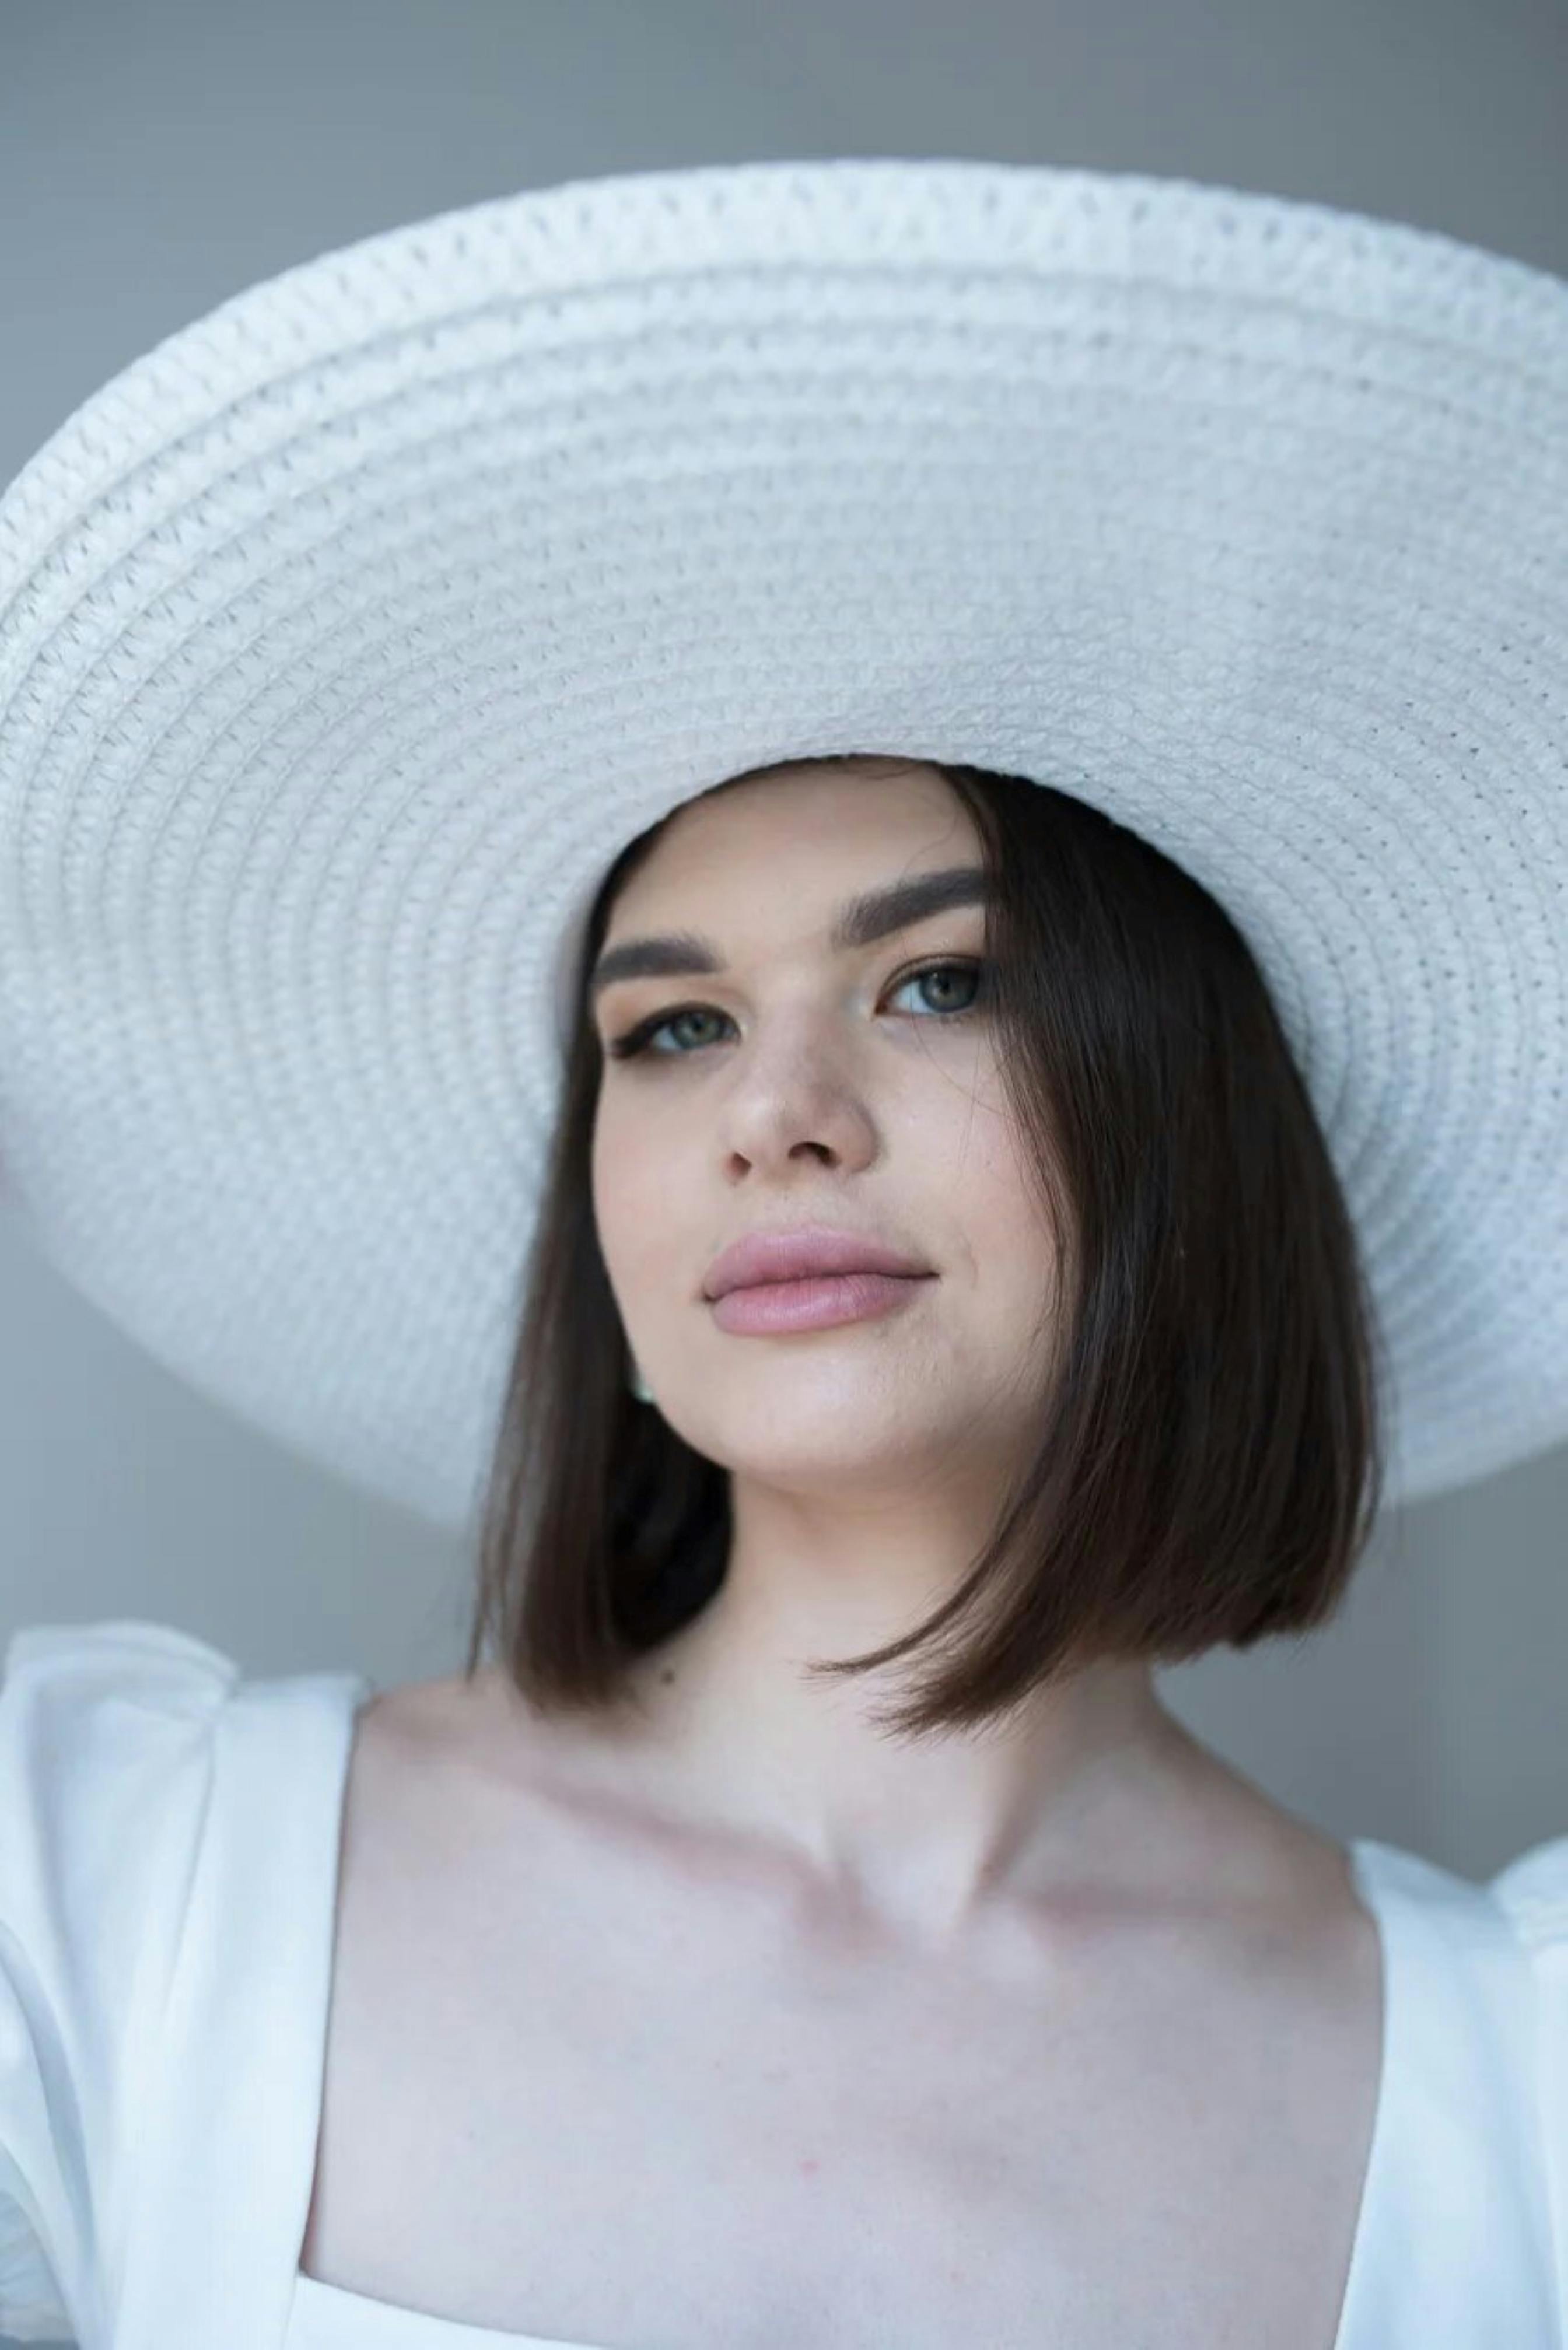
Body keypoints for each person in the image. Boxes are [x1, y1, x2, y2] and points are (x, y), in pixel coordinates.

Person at [0, 159, 1562, 2349]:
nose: (774, 1114)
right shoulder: (89, 1891)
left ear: (1188, 1124)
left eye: (941, 985)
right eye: (675, 1027)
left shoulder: (1528, 2109)